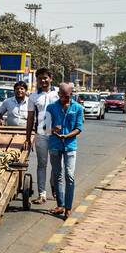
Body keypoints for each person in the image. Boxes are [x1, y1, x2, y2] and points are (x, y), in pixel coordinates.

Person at [46, 82, 84, 219]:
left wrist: (66, 136)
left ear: (71, 95)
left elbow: (78, 128)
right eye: (61, 96)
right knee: (57, 175)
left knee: (70, 176)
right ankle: (60, 204)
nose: (64, 99)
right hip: (55, 145)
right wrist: (52, 129)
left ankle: (68, 207)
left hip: (70, 145)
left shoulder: (78, 108)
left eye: (67, 97)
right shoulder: (51, 108)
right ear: (58, 95)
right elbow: (45, 127)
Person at [25, 68, 58, 204]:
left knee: (56, 165)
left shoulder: (58, 94)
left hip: (57, 135)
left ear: (50, 78)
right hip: (41, 135)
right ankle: (42, 194)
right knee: (41, 165)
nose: (43, 81)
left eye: (45, 78)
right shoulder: (33, 97)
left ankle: (54, 184)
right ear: (37, 80)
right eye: (40, 79)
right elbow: (30, 118)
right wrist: (28, 137)